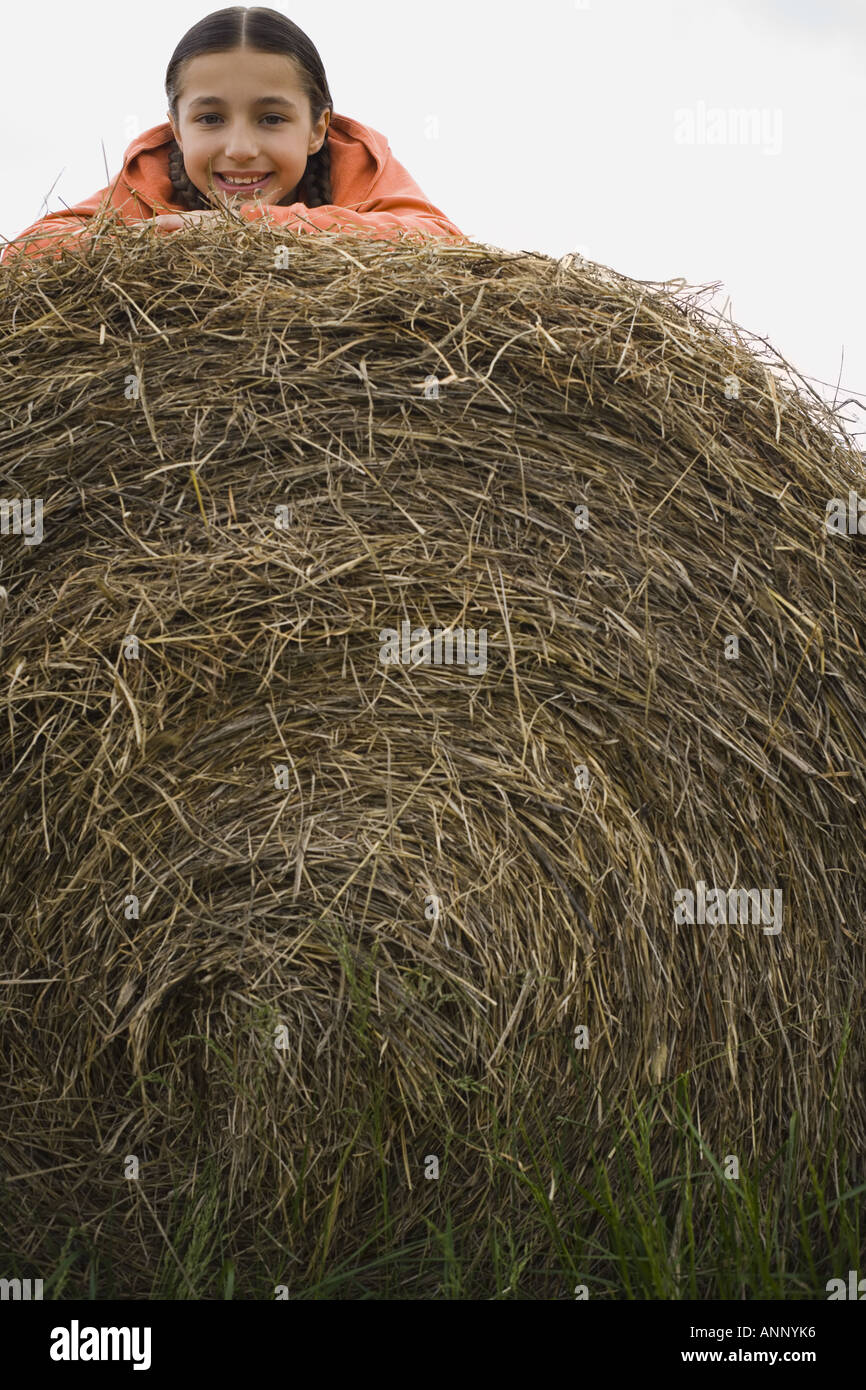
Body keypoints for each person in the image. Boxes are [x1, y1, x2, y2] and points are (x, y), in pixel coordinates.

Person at [1, 6, 468, 264]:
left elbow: (441, 243)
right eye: (210, 119)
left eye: (271, 119)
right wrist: (155, 238)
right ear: (177, 131)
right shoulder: (152, 174)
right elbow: (24, 255)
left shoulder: (356, 160)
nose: (240, 149)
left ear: (317, 128)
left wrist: (246, 225)